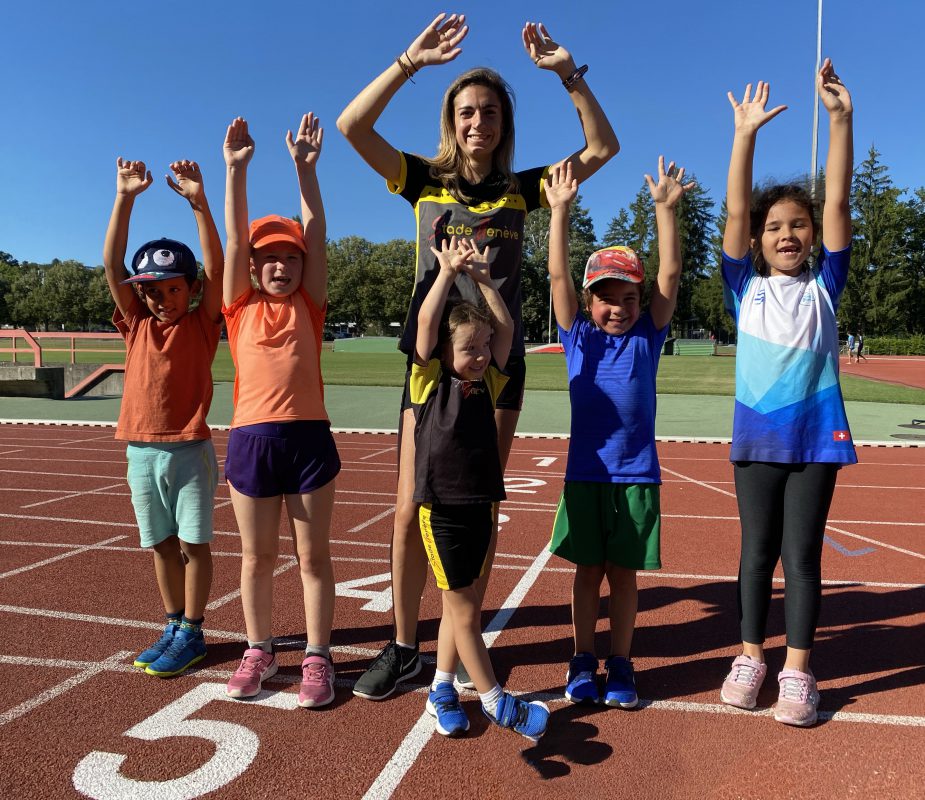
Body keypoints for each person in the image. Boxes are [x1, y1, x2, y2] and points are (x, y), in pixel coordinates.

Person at [337, 12, 619, 700]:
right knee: (409, 509)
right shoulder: (421, 180)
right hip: (429, 368)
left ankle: (462, 635)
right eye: (466, 111)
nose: (477, 122)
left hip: (496, 371)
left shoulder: (524, 189)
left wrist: (567, 74)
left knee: (479, 507)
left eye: (489, 111)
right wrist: (408, 62)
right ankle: (404, 646)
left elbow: (602, 146)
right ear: (451, 119)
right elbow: (352, 127)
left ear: (503, 123)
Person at [718, 60, 856, 727]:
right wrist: (744, 135)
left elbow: (838, 202)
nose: (787, 234)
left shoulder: (825, 286)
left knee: (801, 559)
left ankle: (797, 672)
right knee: (755, 556)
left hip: (814, 440)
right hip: (756, 439)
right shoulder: (743, 287)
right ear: (757, 240)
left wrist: (839, 120)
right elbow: (734, 209)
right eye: (774, 226)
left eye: (797, 224)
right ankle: (750, 658)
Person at [545, 158, 694, 707]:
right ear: (588, 303)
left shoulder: (647, 337)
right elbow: (557, 277)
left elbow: (669, 275)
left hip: (636, 477)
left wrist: (665, 211)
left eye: (630, 297)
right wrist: (559, 211)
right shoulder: (577, 339)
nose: (620, 307)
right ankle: (583, 659)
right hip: (586, 476)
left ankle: (623, 663)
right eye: (607, 297)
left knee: (625, 577)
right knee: (588, 574)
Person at [221, 115, 341, 708]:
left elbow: (315, 230)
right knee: (257, 557)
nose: (280, 266)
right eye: (268, 258)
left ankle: (317, 656)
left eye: (290, 258)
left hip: (308, 440)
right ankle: (260, 649)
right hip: (251, 440)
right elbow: (234, 238)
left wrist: (306, 171)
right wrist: (235, 171)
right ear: (252, 265)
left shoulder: (310, 305)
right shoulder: (237, 306)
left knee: (312, 557)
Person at [414, 235, 549, 741]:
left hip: (479, 507)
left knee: (461, 604)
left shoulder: (489, 382)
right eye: (468, 348)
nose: (479, 355)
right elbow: (427, 324)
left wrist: (486, 282)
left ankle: (441, 688)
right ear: (445, 351)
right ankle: (496, 701)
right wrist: (447, 274)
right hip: (441, 510)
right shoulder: (428, 381)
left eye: (483, 347)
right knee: (466, 609)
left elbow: (507, 329)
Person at [102, 157, 224, 677]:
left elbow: (217, 268)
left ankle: (193, 631)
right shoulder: (135, 323)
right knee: (160, 544)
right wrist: (124, 198)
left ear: (190, 289)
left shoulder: (202, 324)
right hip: (140, 450)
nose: (163, 298)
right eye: (152, 289)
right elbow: (112, 264)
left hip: (189, 450)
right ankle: (173, 623)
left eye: (174, 288)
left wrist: (199, 203)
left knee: (194, 543)